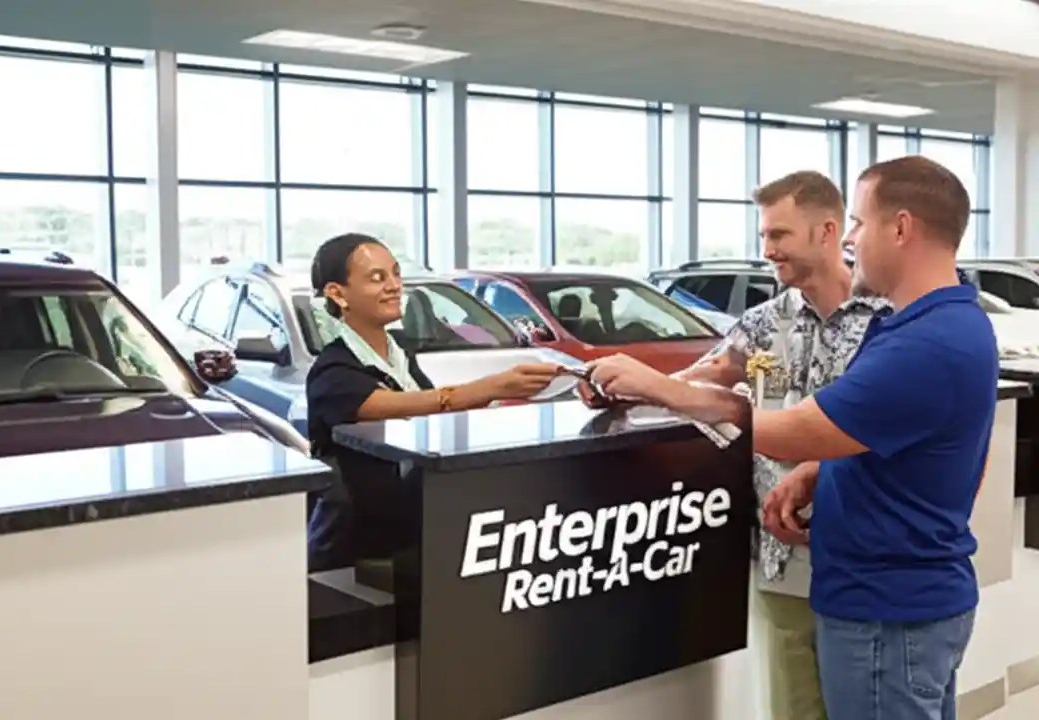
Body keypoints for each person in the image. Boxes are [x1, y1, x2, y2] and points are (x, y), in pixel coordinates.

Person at [584, 155, 996, 720]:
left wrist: (662, 389)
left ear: (898, 229)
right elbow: (872, 434)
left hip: (885, 603)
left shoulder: (918, 339)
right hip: (823, 574)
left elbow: (800, 431)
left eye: (859, 222)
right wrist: (821, 470)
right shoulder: (909, 325)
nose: (853, 237)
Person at [667, 170, 887, 720]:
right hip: (781, 556)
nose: (768, 250)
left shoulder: (889, 321)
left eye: (779, 235)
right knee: (793, 709)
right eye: (765, 236)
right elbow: (707, 376)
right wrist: (627, 389)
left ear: (828, 231)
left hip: (866, 557)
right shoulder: (763, 324)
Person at [305, 233, 559, 570]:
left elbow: (434, 421)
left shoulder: (400, 356)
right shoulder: (334, 370)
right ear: (337, 293)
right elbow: (403, 406)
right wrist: (494, 386)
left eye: (396, 273)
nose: (394, 285)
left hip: (408, 535)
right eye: (377, 278)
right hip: (353, 552)